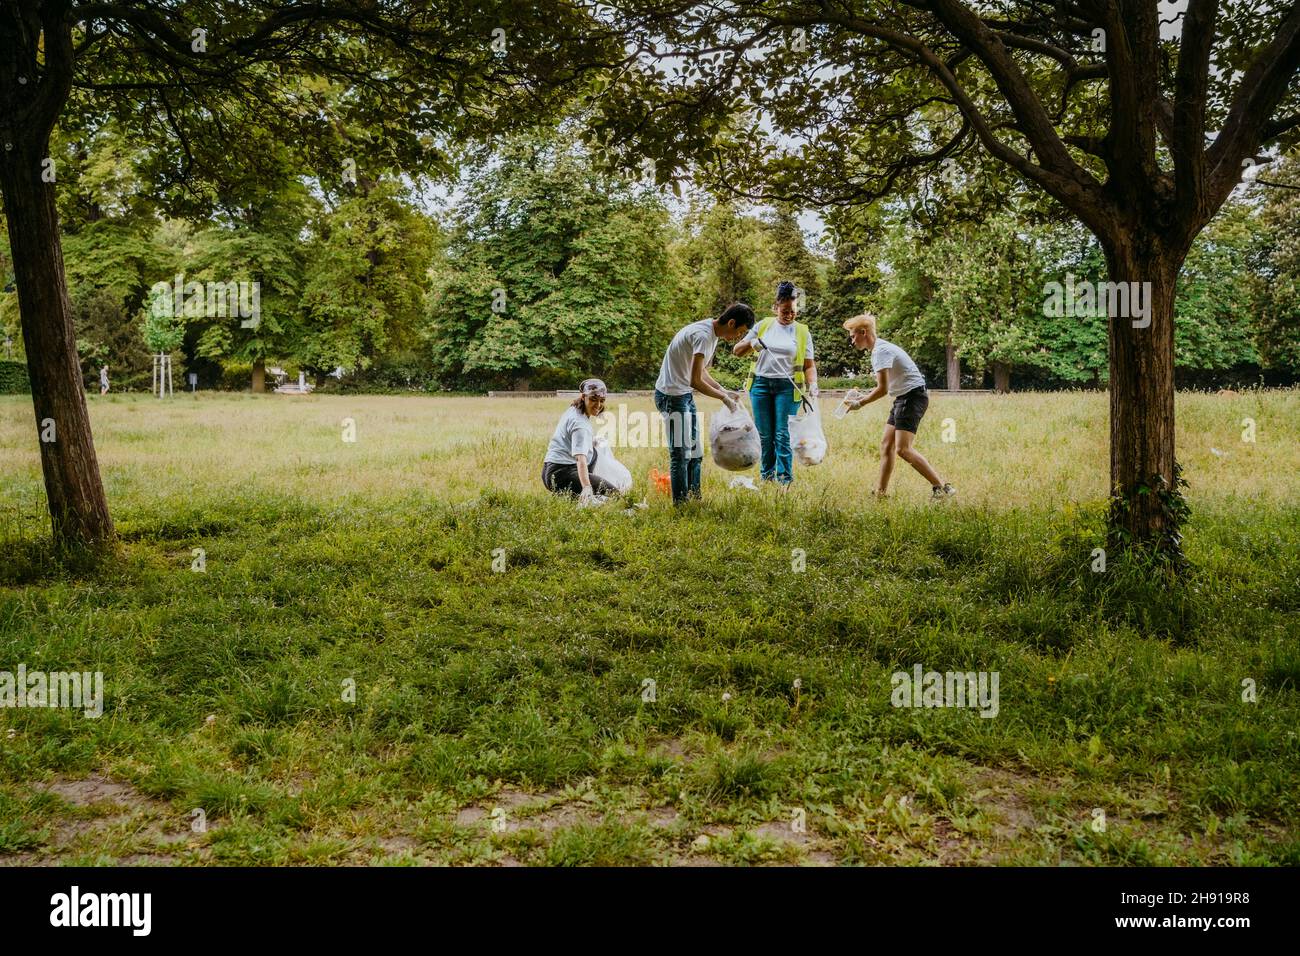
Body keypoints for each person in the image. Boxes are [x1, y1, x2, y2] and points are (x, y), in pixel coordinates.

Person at [843, 313, 956, 501]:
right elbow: (887, 385)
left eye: (853, 336)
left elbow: (882, 389)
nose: (852, 341)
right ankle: (881, 493)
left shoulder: (880, 351)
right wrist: (863, 396)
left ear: (864, 332)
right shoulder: (879, 349)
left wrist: (860, 403)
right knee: (886, 445)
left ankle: (942, 488)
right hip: (904, 397)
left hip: (912, 398)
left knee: (903, 449)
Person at [653, 303, 756, 503]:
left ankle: (695, 499)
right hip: (671, 396)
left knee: (696, 452)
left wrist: (722, 388)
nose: (738, 337)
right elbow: (695, 381)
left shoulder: (712, 334)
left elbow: (701, 372)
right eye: (740, 332)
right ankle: (681, 505)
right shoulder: (702, 335)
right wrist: (723, 398)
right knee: (681, 454)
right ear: (732, 323)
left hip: (684, 395)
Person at [733, 280, 818, 486]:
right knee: (765, 435)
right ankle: (767, 478)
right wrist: (752, 344)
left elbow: (809, 365)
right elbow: (737, 351)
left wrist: (813, 384)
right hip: (760, 386)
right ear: (776, 307)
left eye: (793, 310)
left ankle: (784, 480)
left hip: (787, 388)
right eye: (785, 310)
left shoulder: (802, 331)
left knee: (782, 434)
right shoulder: (763, 326)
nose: (789, 314)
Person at [542, 378, 619, 502]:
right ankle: (582, 490)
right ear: (583, 397)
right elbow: (580, 459)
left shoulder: (574, 409)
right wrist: (587, 487)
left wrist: (592, 442)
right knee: (615, 495)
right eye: (593, 399)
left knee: (593, 453)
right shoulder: (580, 424)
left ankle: (572, 495)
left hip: (549, 470)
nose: (598, 405)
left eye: (602, 401)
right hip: (562, 474)